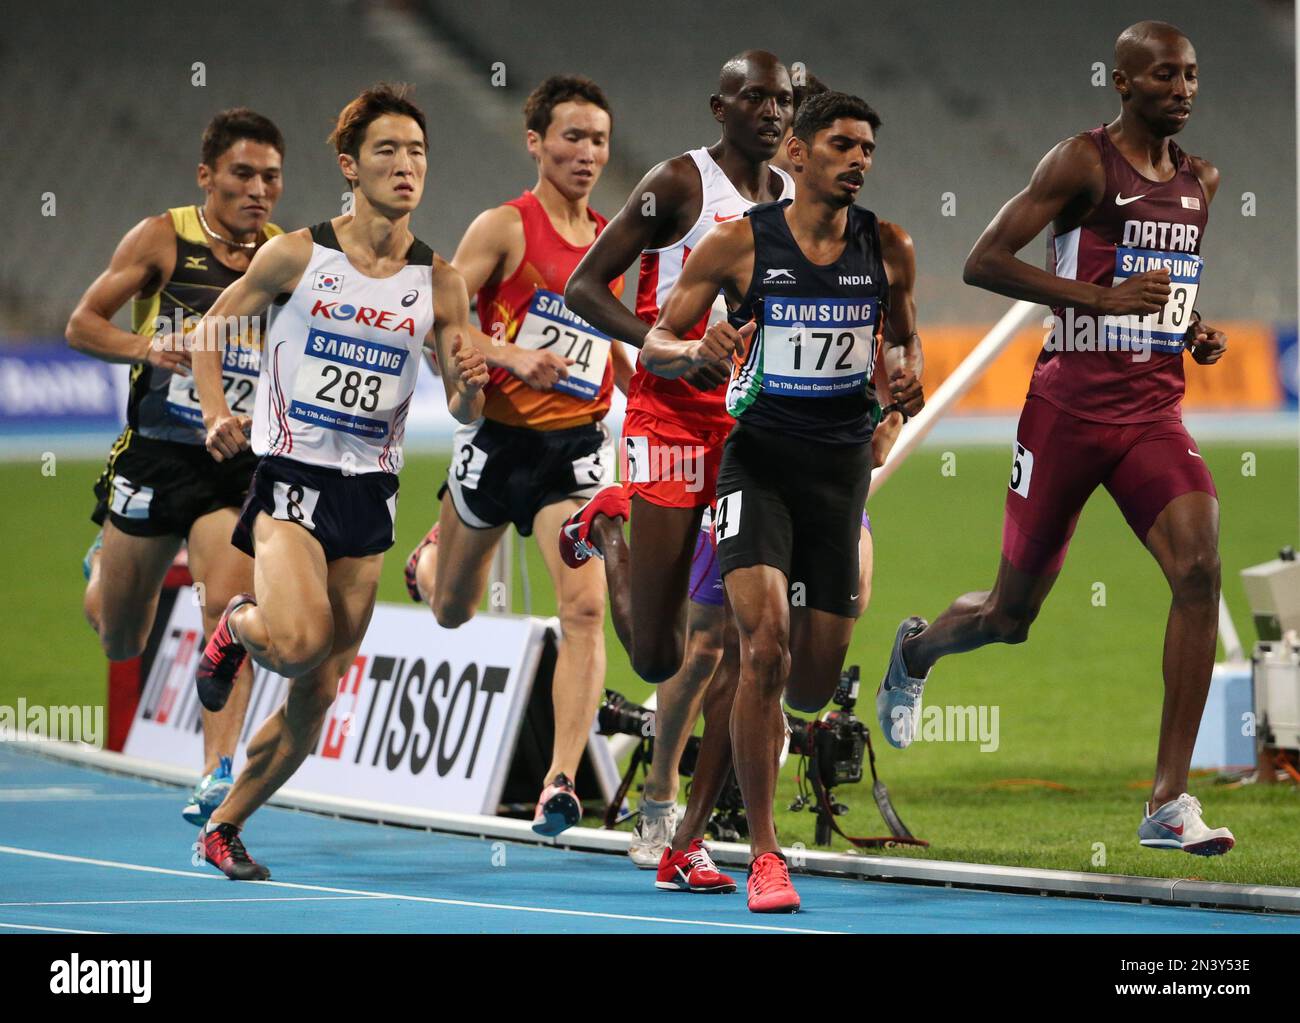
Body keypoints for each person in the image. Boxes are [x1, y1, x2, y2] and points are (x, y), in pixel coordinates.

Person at [877, 21, 1234, 857]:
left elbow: (1165, 293)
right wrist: (1101, 300)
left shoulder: (1202, 181)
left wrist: (1193, 331)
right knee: (1011, 615)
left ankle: (1167, 800)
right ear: (1122, 82)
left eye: (1192, 77)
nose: (1183, 90)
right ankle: (918, 650)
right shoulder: (1080, 164)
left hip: (1151, 409)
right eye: (1165, 76)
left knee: (1200, 565)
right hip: (1066, 410)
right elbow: (983, 260)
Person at [188, 84, 489, 880]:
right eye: (387, 151)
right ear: (351, 168)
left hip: (371, 495)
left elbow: (463, 406)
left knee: (313, 702)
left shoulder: (441, 281)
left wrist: (470, 384)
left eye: (417, 151)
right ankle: (237, 627)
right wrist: (218, 410)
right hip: (291, 476)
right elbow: (209, 330)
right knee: (294, 643)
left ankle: (223, 825)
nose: (405, 165)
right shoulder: (296, 254)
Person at [643, 90, 924, 912]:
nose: (859, 159)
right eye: (841, 144)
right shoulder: (739, 245)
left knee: (802, 682)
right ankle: (765, 855)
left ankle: (687, 836)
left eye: (868, 147)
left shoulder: (891, 246)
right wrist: (697, 349)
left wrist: (901, 394)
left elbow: (906, 350)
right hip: (757, 466)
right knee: (759, 646)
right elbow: (658, 340)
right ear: (794, 156)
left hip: (839, 480)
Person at [564, 51, 796, 892]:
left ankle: (695, 833)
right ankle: (609, 522)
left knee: (741, 638)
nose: (772, 112)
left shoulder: (792, 203)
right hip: (667, 418)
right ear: (719, 105)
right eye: (756, 97)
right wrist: (662, 345)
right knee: (658, 655)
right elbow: (583, 286)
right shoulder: (679, 185)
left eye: (784, 100)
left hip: (748, 430)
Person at [401, 75, 635, 837]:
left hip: (574, 453)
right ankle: (431, 557)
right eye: (572, 136)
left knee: (586, 607)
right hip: (496, 444)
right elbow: (442, 323)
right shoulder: (503, 227)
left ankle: (560, 781)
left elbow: (614, 344)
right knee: (451, 611)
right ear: (535, 142)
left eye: (598, 139)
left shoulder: (611, 242)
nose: (587, 152)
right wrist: (509, 354)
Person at [65, 108, 286, 826]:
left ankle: (218, 770)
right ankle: (106, 562)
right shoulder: (164, 237)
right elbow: (83, 322)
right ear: (207, 176)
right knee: (121, 635)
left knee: (228, 606)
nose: (258, 189)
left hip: (234, 463)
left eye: (271, 177)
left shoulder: (285, 254)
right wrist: (145, 350)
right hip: (156, 457)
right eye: (243, 174)